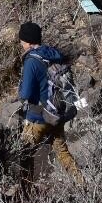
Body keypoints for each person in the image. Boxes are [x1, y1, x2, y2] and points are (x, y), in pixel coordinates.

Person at [16, 22, 81, 181]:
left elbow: (25, 94)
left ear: (28, 42)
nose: (21, 43)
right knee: (62, 152)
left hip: (38, 118)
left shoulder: (32, 61)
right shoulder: (53, 53)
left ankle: (27, 195)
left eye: (22, 40)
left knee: (24, 154)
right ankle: (82, 184)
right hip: (57, 113)